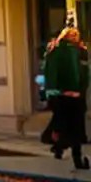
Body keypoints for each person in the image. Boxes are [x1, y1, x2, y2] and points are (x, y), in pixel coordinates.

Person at [43, 24, 89, 170]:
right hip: (65, 97)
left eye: (76, 35)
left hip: (73, 97)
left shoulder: (79, 51)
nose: (75, 37)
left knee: (69, 128)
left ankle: (62, 149)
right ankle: (71, 155)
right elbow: (52, 73)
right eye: (71, 35)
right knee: (70, 128)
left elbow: (84, 74)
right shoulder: (59, 51)